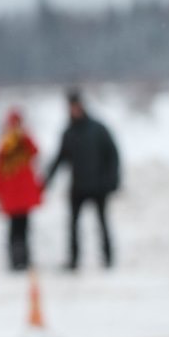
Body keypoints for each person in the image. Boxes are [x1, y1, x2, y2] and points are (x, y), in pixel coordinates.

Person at [43, 90, 120, 270]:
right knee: (73, 225)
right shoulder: (69, 133)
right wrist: (46, 181)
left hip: (99, 186)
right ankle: (74, 260)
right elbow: (60, 158)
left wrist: (112, 180)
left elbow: (113, 155)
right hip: (78, 187)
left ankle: (108, 258)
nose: (74, 110)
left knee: (102, 223)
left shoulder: (98, 129)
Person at [0, 109, 44, 272]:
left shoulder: (24, 142)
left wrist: (24, 137)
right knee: (14, 230)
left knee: (24, 228)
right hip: (12, 196)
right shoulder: (5, 145)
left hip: (23, 195)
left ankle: (24, 259)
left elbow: (36, 152)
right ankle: (15, 260)